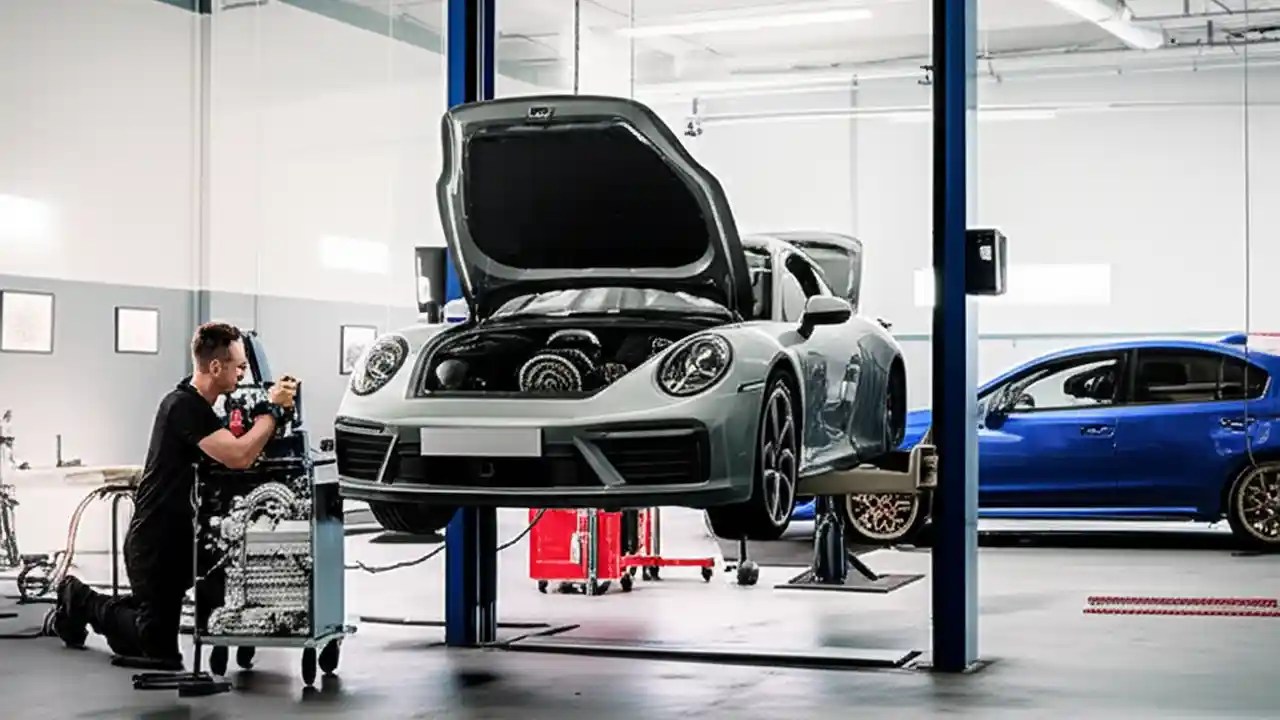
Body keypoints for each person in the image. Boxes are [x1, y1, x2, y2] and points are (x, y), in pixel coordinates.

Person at [45, 322, 298, 667]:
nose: (242, 373)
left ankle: (142, 611)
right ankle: (78, 598)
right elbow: (240, 456)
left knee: (162, 613)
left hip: (181, 540)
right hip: (155, 543)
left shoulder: (203, 410)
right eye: (238, 366)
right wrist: (272, 411)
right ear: (215, 367)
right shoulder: (182, 406)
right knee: (160, 650)